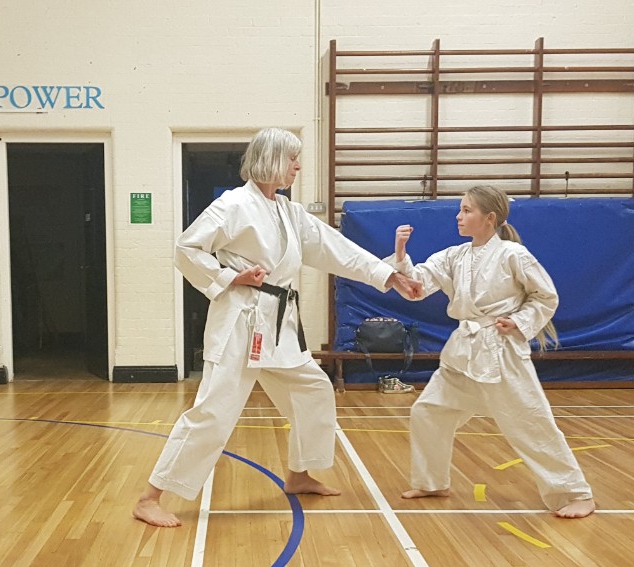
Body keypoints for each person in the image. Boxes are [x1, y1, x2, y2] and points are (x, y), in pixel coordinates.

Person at [133, 128, 423, 528]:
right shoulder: (232, 205)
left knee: (314, 390)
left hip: (278, 324)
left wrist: (387, 276)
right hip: (240, 321)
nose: (298, 166)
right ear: (270, 159)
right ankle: (151, 497)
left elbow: (336, 249)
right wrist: (229, 278)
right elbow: (187, 247)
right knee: (214, 412)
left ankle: (300, 473)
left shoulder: (289, 212)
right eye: (292, 159)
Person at [389, 186, 596, 519]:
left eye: (467, 210)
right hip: (463, 350)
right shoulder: (455, 255)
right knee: (428, 411)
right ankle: (431, 481)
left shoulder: (513, 254)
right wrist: (400, 252)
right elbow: (417, 284)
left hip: (501, 350)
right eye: (460, 209)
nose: (459, 216)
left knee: (530, 421)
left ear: (490, 218)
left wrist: (518, 321)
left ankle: (574, 492)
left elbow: (546, 297)